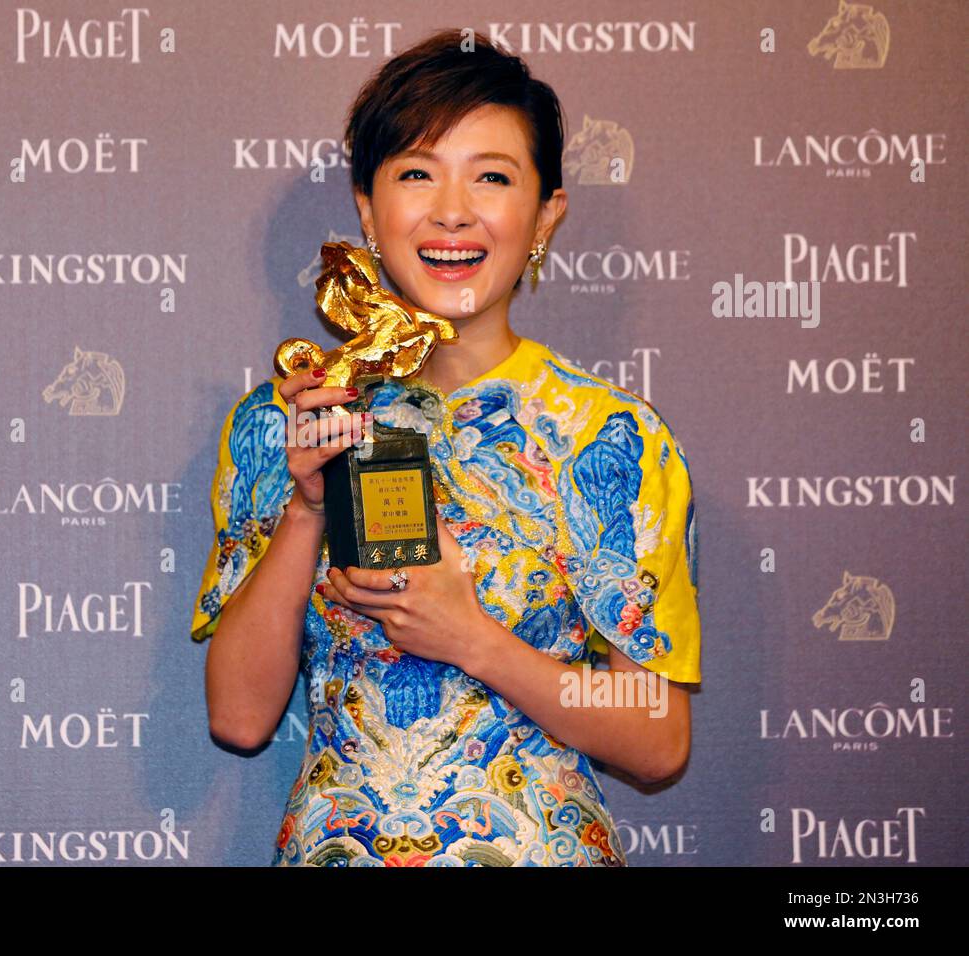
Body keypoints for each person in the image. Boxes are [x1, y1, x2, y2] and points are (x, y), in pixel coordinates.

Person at [189, 29, 701, 867]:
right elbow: (239, 720)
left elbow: (659, 735)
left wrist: (474, 640)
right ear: (367, 209)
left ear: (545, 214)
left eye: (492, 177)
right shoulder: (282, 420)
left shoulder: (608, 434)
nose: (453, 210)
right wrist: (307, 509)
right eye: (417, 174)